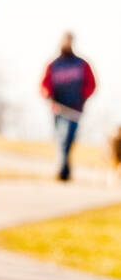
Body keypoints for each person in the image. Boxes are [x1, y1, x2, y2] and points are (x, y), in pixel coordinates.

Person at [40, 33, 96, 181]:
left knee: (68, 139)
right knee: (60, 139)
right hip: (58, 109)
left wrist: (82, 98)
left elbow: (91, 84)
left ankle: (63, 170)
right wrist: (49, 96)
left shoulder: (81, 64)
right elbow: (44, 85)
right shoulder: (53, 65)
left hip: (74, 110)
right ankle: (63, 169)